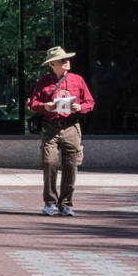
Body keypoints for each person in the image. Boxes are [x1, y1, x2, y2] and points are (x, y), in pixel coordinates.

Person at [28, 46, 95, 216]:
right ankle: (50, 202)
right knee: (49, 162)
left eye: (68, 59)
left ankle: (66, 204)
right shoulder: (43, 82)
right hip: (50, 127)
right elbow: (32, 104)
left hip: (71, 126)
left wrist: (80, 107)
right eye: (63, 60)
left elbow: (90, 102)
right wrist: (45, 106)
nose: (68, 62)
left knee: (71, 165)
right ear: (53, 64)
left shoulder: (77, 80)